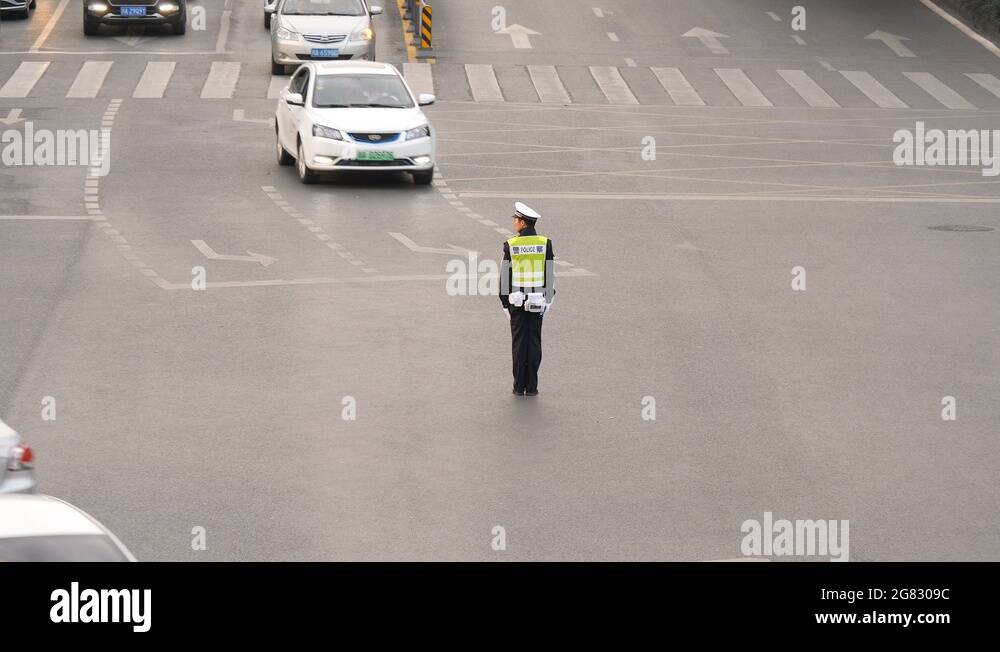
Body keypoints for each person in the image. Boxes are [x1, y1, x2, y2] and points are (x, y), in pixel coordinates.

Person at [500, 202, 554, 397]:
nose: (514, 222)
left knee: (519, 344)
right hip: (538, 302)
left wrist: (505, 304)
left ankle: (518, 386)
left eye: (516, 220)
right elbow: (549, 274)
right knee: (534, 343)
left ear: (523, 223)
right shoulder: (545, 243)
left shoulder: (511, 245)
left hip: (516, 303)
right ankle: (531, 387)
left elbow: (504, 278)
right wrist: (548, 301)